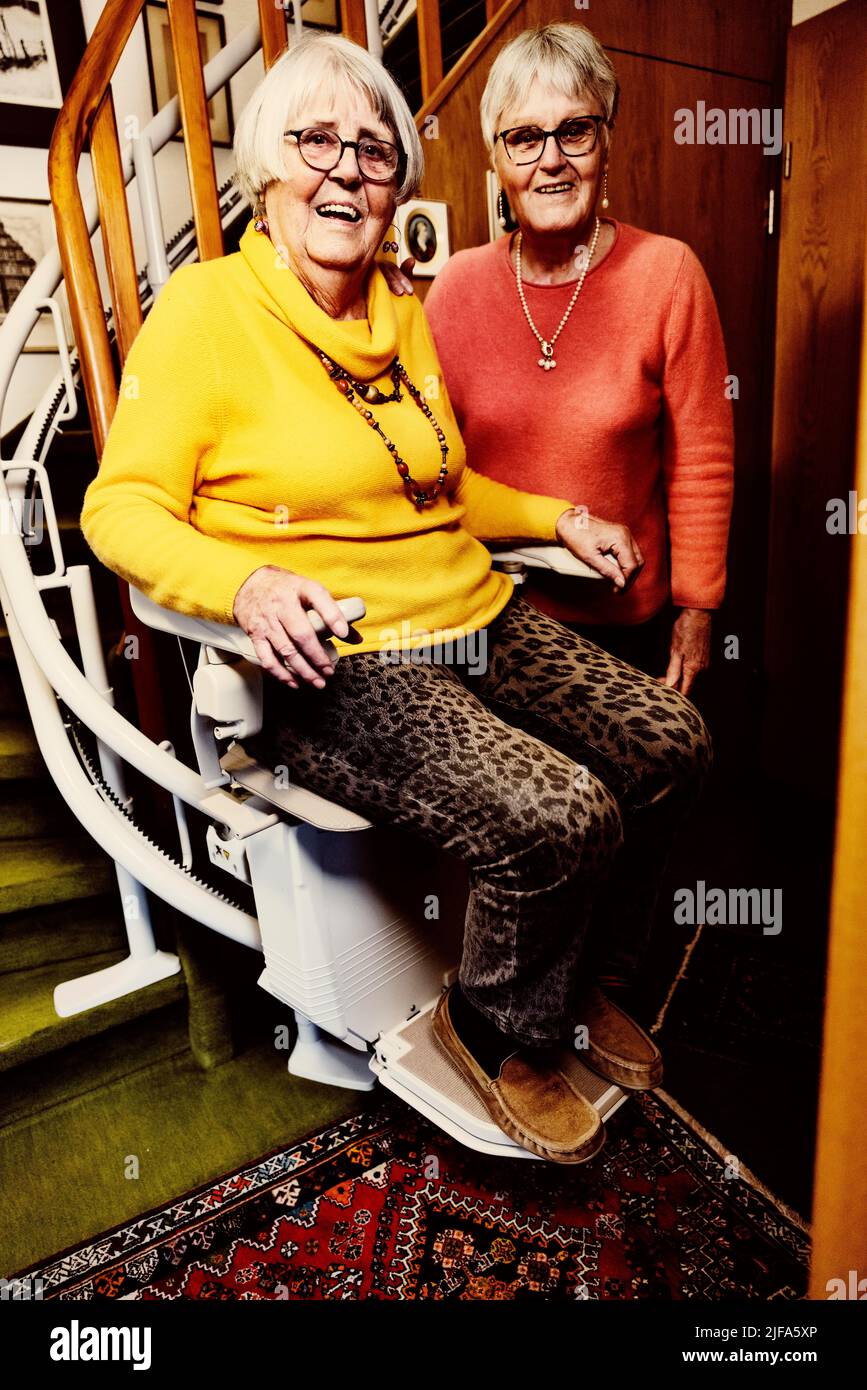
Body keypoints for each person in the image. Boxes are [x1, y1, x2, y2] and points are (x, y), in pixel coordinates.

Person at [80, 34, 711, 1165]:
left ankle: (567, 985)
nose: (346, 171)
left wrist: (550, 517)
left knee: (668, 743)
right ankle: (494, 1027)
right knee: (562, 812)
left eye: (373, 150)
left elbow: (439, 482)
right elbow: (116, 510)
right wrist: (245, 579)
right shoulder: (206, 310)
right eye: (315, 142)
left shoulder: (400, 307)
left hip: (475, 610)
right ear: (264, 173)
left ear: (397, 187)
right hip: (348, 655)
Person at [407, 22, 735, 698]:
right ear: (496, 160)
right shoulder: (455, 289)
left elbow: (701, 460)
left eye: (574, 131)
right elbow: (429, 466)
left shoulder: (668, 275)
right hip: (486, 618)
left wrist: (696, 608)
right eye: (523, 138)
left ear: (605, 142)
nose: (549, 159)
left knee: (637, 793)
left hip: (625, 625)